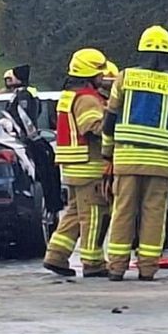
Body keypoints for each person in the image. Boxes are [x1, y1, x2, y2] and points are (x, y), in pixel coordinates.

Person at [102, 25, 168, 281]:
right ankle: (147, 268)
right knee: (154, 214)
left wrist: (108, 153)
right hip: (161, 162)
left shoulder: (124, 77)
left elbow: (109, 122)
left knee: (123, 211)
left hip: (126, 160)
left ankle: (117, 267)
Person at [43, 49, 113, 277]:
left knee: (74, 214)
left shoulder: (69, 95)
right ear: (90, 74)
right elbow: (93, 128)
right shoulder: (86, 99)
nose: (104, 77)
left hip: (73, 166)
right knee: (95, 215)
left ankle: (56, 255)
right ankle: (93, 263)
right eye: (100, 72)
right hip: (88, 166)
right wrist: (113, 118)